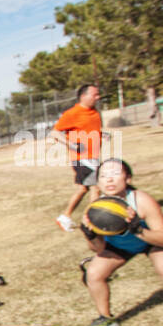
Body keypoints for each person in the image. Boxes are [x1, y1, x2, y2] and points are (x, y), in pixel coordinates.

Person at [77, 158, 163, 326]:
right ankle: (105, 317)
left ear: (128, 179)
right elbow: (98, 249)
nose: (109, 180)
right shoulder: (96, 209)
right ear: (98, 183)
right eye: (104, 176)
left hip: (154, 239)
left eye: (115, 174)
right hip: (122, 245)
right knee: (94, 273)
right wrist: (89, 234)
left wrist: (137, 230)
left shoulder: (141, 200)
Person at [51, 84, 102, 232]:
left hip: (93, 156)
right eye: (95, 95)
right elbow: (55, 133)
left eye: (98, 94)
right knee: (96, 188)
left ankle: (65, 217)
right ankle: (92, 221)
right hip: (82, 157)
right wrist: (73, 145)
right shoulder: (72, 113)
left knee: (83, 188)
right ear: (83, 96)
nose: (98, 98)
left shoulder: (95, 112)